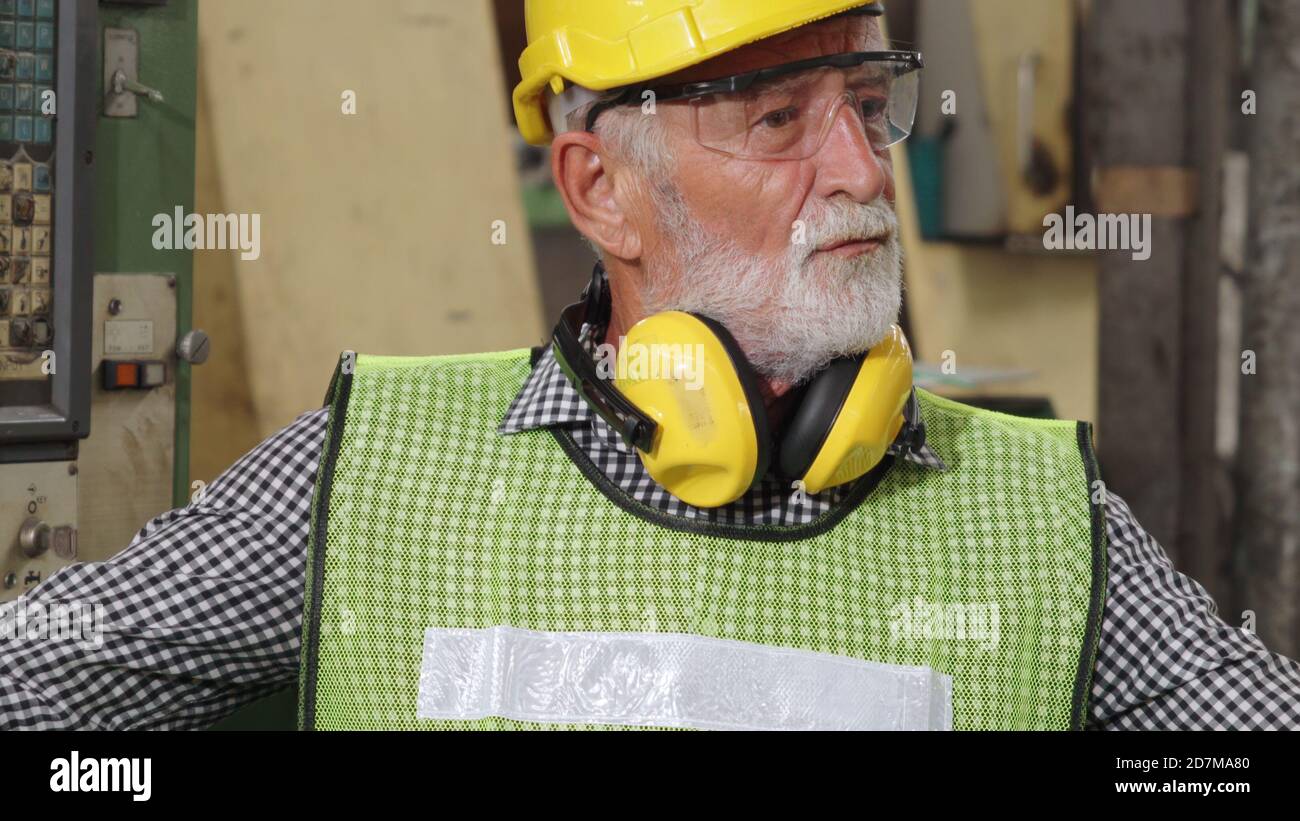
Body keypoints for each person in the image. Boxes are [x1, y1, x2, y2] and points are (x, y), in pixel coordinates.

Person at [2, 0, 1297, 730]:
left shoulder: (1038, 523)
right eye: (780, 117)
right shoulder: (371, 477)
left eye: (863, 101)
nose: (858, 170)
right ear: (603, 191)